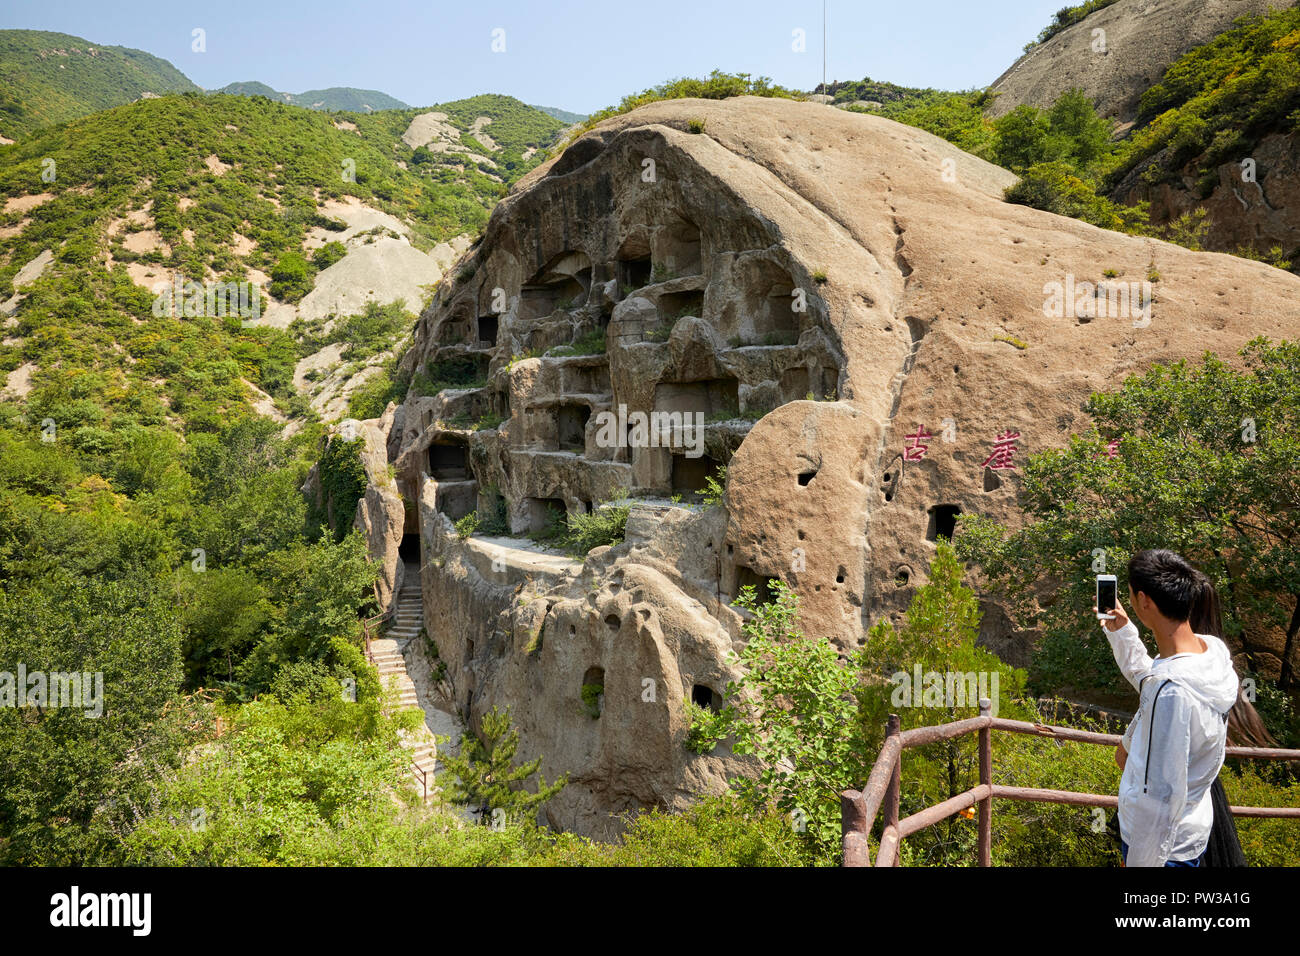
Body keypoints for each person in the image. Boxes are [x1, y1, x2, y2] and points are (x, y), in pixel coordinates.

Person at [1098, 550, 1240, 867]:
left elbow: (1160, 797)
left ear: (1144, 601)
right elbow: (1155, 681)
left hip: (1162, 850)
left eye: (1132, 594)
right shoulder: (1209, 653)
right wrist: (1121, 633)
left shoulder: (1172, 692)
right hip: (1190, 831)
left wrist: (1140, 862)